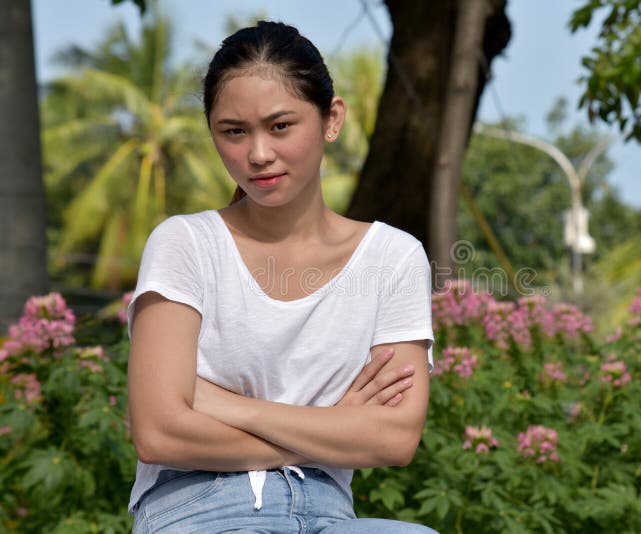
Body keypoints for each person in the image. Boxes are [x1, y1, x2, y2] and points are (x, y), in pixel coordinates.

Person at [126, 20, 437, 533]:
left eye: (280, 126)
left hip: (330, 513)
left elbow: (394, 440)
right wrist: (337, 426)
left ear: (331, 119)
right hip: (200, 509)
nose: (258, 154)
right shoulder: (185, 244)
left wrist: (219, 403)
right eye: (233, 131)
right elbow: (159, 434)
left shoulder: (394, 258)